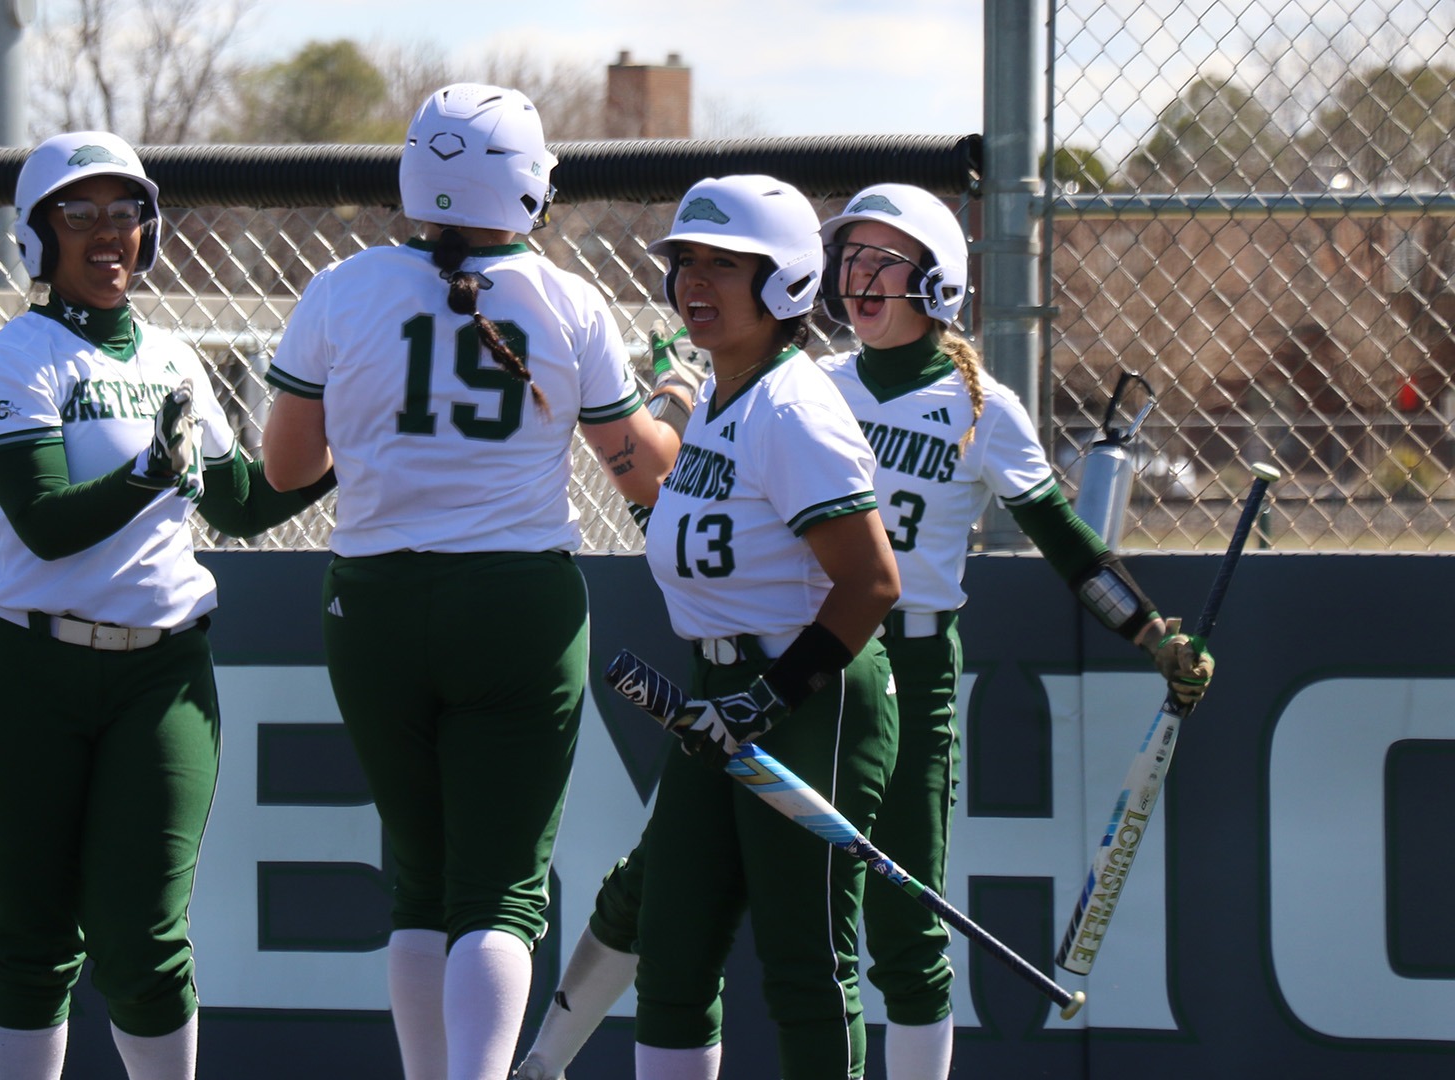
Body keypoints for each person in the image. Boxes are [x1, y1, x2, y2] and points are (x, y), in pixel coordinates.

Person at [512, 182, 1217, 1080]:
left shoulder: (954, 404)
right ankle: (541, 1061)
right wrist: (675, 399)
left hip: (875, 670)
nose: (860, 276)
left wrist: (1150, 633)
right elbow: (705, 516)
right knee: (666, 896)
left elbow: (1055, 543)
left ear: (939, 283)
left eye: (885, 259)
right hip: (769, 666)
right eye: (850, 257)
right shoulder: (795, 382)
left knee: (884, 924)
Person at [258, 84, 681, 1080]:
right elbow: (643, 469)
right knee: (498, 892)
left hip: (373, 604)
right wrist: (672, 400)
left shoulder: (341, 288)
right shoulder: (569, 302)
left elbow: (283, 469)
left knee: (421, 882)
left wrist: (386, 438)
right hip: (515, 606)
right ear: (531, 182)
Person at [0, 130, 333, 1080]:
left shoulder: (174, 356)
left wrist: (358, 448)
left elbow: (242, 503)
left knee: (144, 940)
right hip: (25, 672)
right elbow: (43, 522)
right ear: (37, 236)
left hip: (162, 673)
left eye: (127, 211)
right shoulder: (12, 359)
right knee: (31, 940)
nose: (107, 232)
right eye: (79, 214)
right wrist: (149, 471)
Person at [633, 173, 903, 1080]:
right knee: (671, 951)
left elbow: (870, 582)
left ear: (785, 282)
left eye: (724, 265)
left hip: (806, 697)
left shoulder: (790, 407)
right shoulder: (721, 395)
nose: (695, 284)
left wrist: (768, 697)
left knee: (804, 966)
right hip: (721, 694)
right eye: (684, 263)